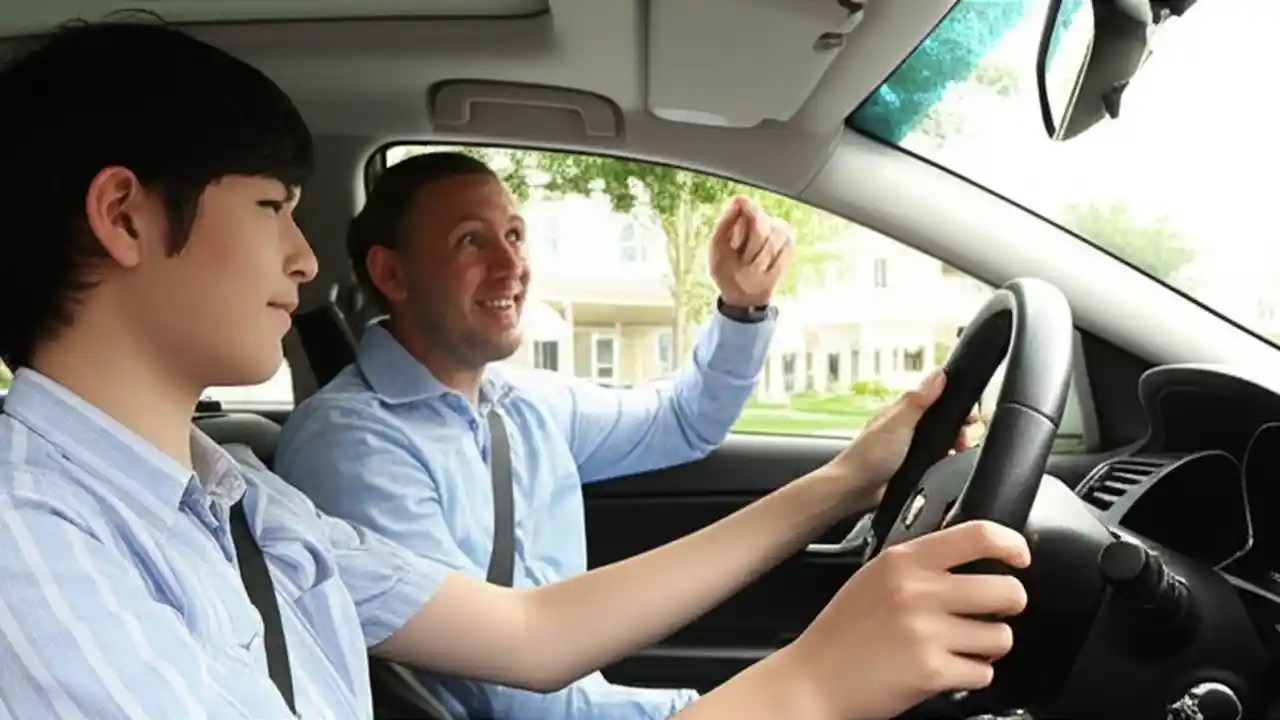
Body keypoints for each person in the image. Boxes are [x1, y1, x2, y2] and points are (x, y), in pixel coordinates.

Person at [0, 20, 1030, 720]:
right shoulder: (29, 545)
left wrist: (849, 480)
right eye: (272, 207)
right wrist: (803, 687)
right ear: (125, 215)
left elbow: (534, 633)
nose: (303, 259)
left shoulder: (242, 502)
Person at [274, 150, 792, 717]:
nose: (511, 266)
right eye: (471, 241)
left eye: (515, 235)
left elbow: (686, 421)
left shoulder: (526, 406)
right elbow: (505, 694)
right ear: (393, 273)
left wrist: (743, 306)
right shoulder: (352, 445)